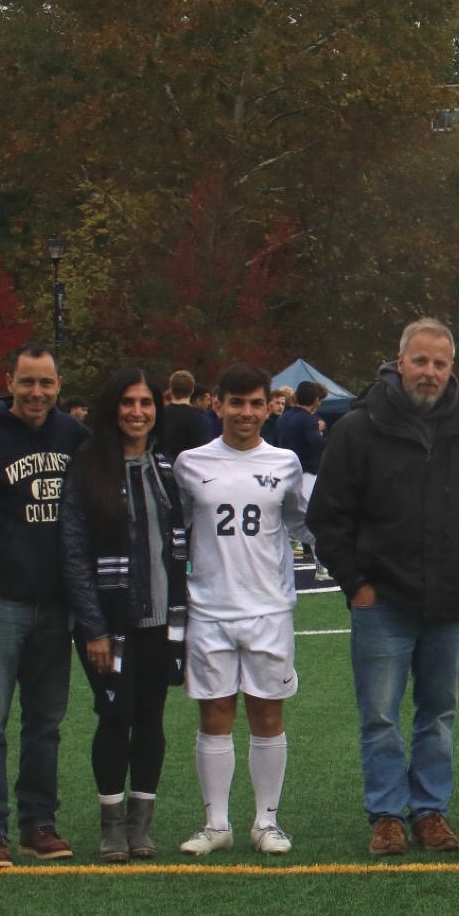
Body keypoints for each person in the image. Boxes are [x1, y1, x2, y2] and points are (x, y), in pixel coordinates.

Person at [309, 319, 459, 856]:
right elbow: (327, 517)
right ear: (399, 361)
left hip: (450, 600)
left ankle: (429, 811)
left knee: (440, 715)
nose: (429, 372)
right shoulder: (358, 428)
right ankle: (385, 814)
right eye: (421, 361)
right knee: (380, 716)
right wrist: (356, 584)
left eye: (440, 363)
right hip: (382, 600)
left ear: (451, 369)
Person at [0, 342, 91, 867]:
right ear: (8, 382)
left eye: (46, 382)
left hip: (55, 604)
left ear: (59, 385)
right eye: (27, 381)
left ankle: (38, 824)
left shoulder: (74, 436)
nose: (36, 392)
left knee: (45, 723)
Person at [172, 364, 313, 855]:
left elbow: (300, 522)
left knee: (267, 714)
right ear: (217, 404)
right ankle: (217, 824)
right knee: (214, 714)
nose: (246, 413)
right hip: (208, 608)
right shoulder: (190, 463)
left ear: (269, 405)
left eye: (255, 403)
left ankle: (266, 822)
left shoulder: (285, 462)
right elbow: (177, 530)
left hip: (269, 608)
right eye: (236, 403)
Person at [61, 369, 189, 861]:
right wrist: (93, 626)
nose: (137, 412)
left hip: (161, 617)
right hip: (108, 622)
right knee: (115, 714)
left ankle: (141, 823)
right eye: (128, 402)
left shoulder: (168, 467)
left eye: (146, 402)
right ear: (112, 408)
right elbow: (74, 551)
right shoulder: (89, 464)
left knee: (151, 716)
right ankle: (112, 823)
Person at [277, 380, 330, 582]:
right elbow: (317, 444)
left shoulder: (284, 417)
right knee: (317, 521)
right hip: (305, 474)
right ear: (315, 400)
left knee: (282, 521)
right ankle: (322, 567)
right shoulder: (308, 420)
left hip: (283, 473)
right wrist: (326, 438)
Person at [158, 370, 212, 460]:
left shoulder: (159, 415)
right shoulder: (201, 420)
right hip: (189, 466)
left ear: (171, 390)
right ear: (192, 390)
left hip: (162, 465)